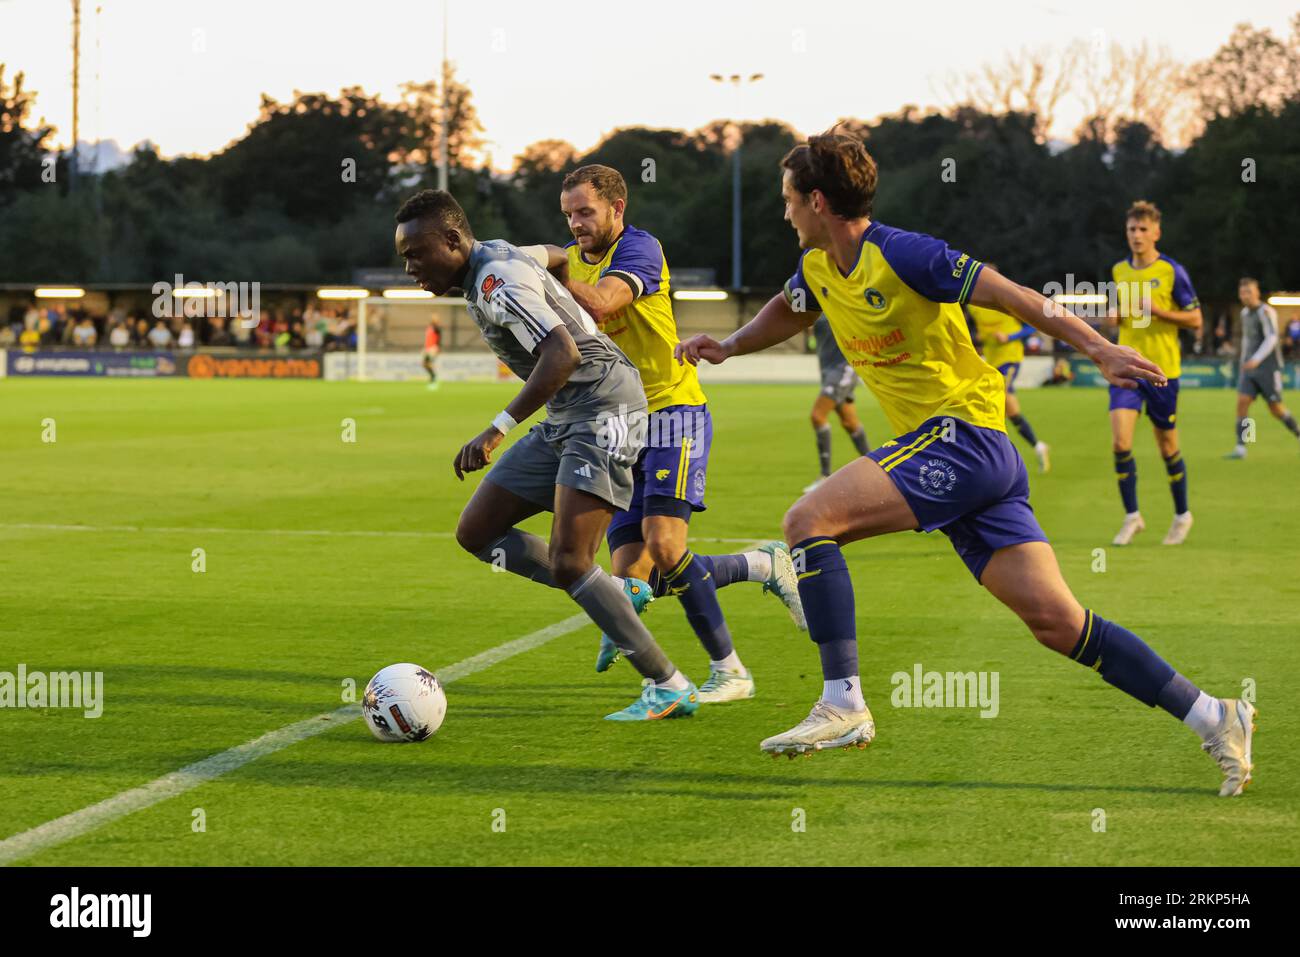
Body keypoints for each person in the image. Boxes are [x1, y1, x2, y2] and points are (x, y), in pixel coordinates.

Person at [675, 133, 1254, 796]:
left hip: (963, 437)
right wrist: (731, 344)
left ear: (817, 199)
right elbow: (791, 310)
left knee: (808, 518)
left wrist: (1100, 348)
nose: (784, 215)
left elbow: (1016, 297)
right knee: (1059, 623)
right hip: (980, 462)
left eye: (788, 201)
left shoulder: (905, 253)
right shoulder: (815, 268)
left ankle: (842, 701)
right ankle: (1215, 714)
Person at [395, 187, 699, 721]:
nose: (410, 267)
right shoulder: (501, 253)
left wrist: (496, 430)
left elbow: (563, 351)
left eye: (416, 254)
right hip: (567, 411)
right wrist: (562, 294)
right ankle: (611, 593)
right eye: (404, 257)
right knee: (477, 532)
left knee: (570, 561)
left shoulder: (496, 281)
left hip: (603, 405)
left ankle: (668, 684)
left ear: (451, 239)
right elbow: (556, 255)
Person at [543, 163, 804, 702]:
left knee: (665, 547)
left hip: (672, 411)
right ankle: (760, 563)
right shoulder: (572, 263)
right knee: (635, 579)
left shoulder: (641, 249)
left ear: (617, 208)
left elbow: (603, 302)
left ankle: (730, 672)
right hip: (619, 423)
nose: (575, 224)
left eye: (585, 212)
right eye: (568, 215)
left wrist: (548, 271)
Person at [1107, 200, 1202, 546]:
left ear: (1156, 233)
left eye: (1143, 229)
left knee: (1166, 446)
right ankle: (1132, 516)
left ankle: (1182, 515)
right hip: (1128, 369)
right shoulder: (1119, 270)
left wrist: (1160, 311)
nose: (1137, 235)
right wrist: (1113, 316)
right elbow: (1116, 317)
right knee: (1120, 441)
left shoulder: (1172, 271)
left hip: (1162, 372)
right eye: (1132, 229)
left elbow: (1195, 320)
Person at [966, 269, 1050, 472]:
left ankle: (989, 456)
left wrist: (1009, 337)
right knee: (1010, 410)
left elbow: (1032, 326)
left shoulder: (1003, 300)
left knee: (994, 396)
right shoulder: (974, 306)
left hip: (1010, 357)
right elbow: (975, 332)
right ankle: (1038, 446)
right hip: (991, 361)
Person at [1225, 278, 1300, 458]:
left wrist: (1256, 359)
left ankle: (1298, 433)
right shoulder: (1244, 314)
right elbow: (1247, 340)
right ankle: (1242, 447)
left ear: (1257, 292)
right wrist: (1245, 360)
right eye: (1242, 292)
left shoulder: (1266, 311)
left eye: (1249, 292)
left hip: (1268, 367)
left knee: (1276, 408)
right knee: (1243, 403)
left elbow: (1272, 338)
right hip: (1250, 368)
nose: (1245, 296)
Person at [803, 313, 871, 492]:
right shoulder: (815, 306)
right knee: (850, 422)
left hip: (843, 369)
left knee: (818, 416)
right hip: (828, 370)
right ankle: (881, 471)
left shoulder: (840, 301)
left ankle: (825, 476)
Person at [422, 316, 442, 390]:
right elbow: (428, 339)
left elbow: (439, 338)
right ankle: (433, 378)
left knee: (429, 363)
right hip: (428, 348)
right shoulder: (429, 328)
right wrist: (425, 348)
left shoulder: (436, 328)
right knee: (424, 364)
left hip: (433, 348)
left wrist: (437, 347)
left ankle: (433, 380)